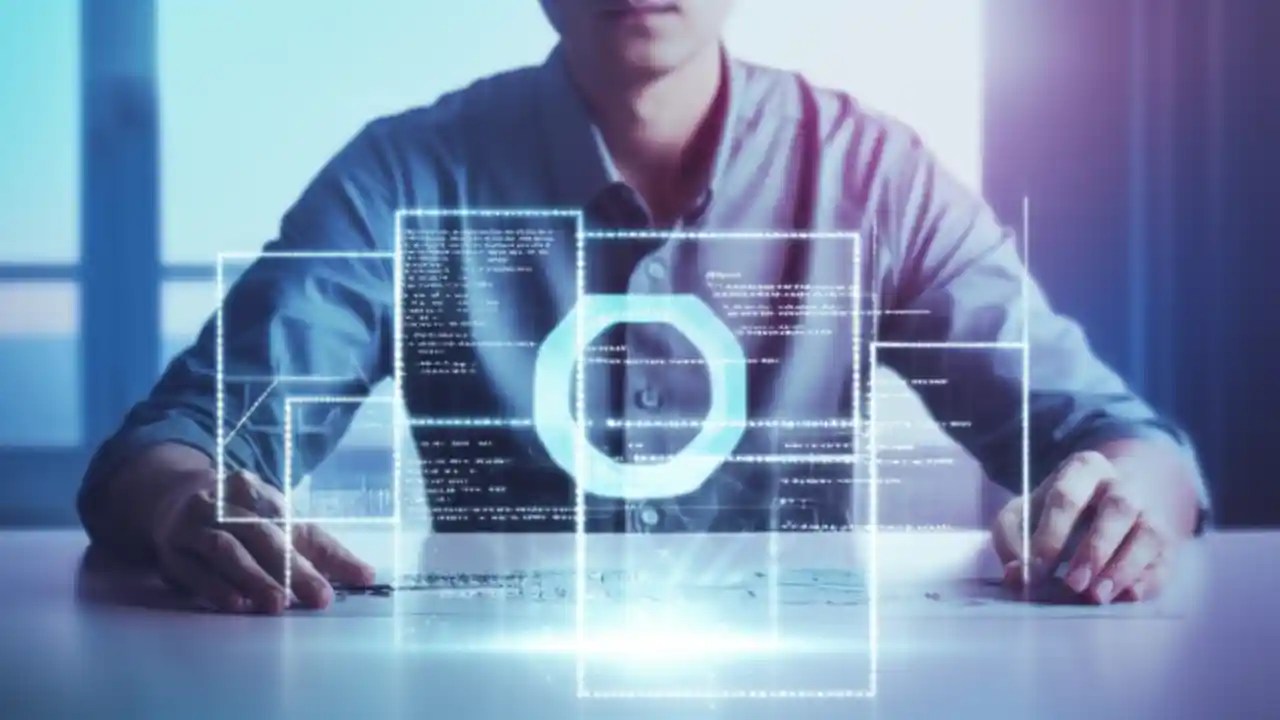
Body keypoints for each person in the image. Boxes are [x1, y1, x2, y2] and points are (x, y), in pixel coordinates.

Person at [78, 0, 1208, 614]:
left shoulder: (874, 177)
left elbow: (1124, 446)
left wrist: (1111, 505)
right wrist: (190, 505)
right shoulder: (405, 178)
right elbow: (170, 450)